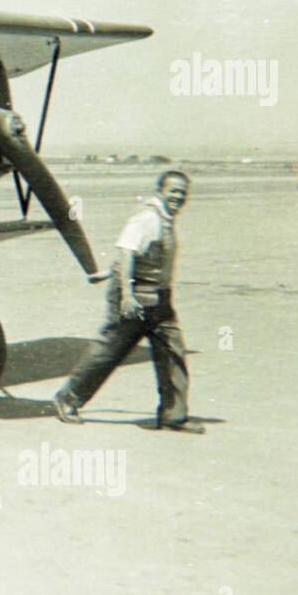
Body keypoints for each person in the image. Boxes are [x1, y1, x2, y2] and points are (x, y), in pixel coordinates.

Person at [50, 171, 201, 432]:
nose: (178, 196)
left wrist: (109, 272)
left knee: (173, 354)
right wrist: (127, 294)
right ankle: (67, 398)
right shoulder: (145, 219)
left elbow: (139, 254)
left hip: (160, 300)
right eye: (173, 191)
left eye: (183, 192)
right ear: (160, 191)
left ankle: (173, 416)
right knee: (109, 351)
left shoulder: (165, 220)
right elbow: (128, 253)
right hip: (137, 296)